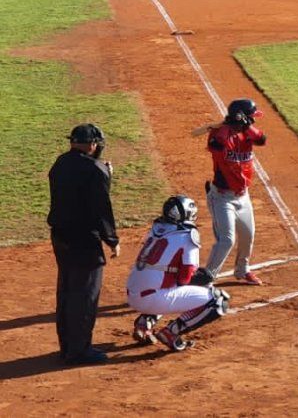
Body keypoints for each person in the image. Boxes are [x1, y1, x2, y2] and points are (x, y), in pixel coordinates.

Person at [47, 123, 120, 365]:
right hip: (84, 240)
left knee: (66, 291)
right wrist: (112, 240)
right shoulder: (95, 169)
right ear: (91, 144)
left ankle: (67, 345)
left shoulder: (60, 163)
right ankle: (79, 351)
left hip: (60, 237)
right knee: (85, 295)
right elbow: (101, 210)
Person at [127, 195, 231, 352]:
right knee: (218, 300)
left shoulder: (157, 227)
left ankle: (144, 322)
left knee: (165, 282)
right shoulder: (188, 235)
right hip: (152, 299)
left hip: (132, 292)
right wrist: (200, 279)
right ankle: (172, 332)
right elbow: (185, 278)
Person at [203, 99, 268, 285]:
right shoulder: (219, 136)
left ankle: (242, 270)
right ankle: (206, 277)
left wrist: (245, 127)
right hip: (222, 197)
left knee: (248, 235)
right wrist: (227, 129)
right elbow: (215, 146)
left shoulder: (247, 134)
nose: (253, 121)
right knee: (226, 240)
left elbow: (262, 140)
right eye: (251, 118)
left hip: (242, 196)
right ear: (241, 117)